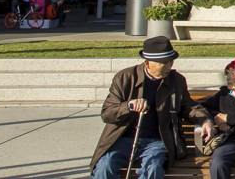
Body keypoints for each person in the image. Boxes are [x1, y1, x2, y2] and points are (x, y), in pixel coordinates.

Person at [89, 37, 214, 179]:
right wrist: (128, 106)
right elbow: (107, 113)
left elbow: (188, 106)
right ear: (147, 62)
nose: (169, 66)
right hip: (124, 139)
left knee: (153, 167)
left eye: (171, 61)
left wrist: (205, 119)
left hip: (156, 141)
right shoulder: (125, 77)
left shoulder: (176, 80)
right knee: (104, 168)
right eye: (163, 63)